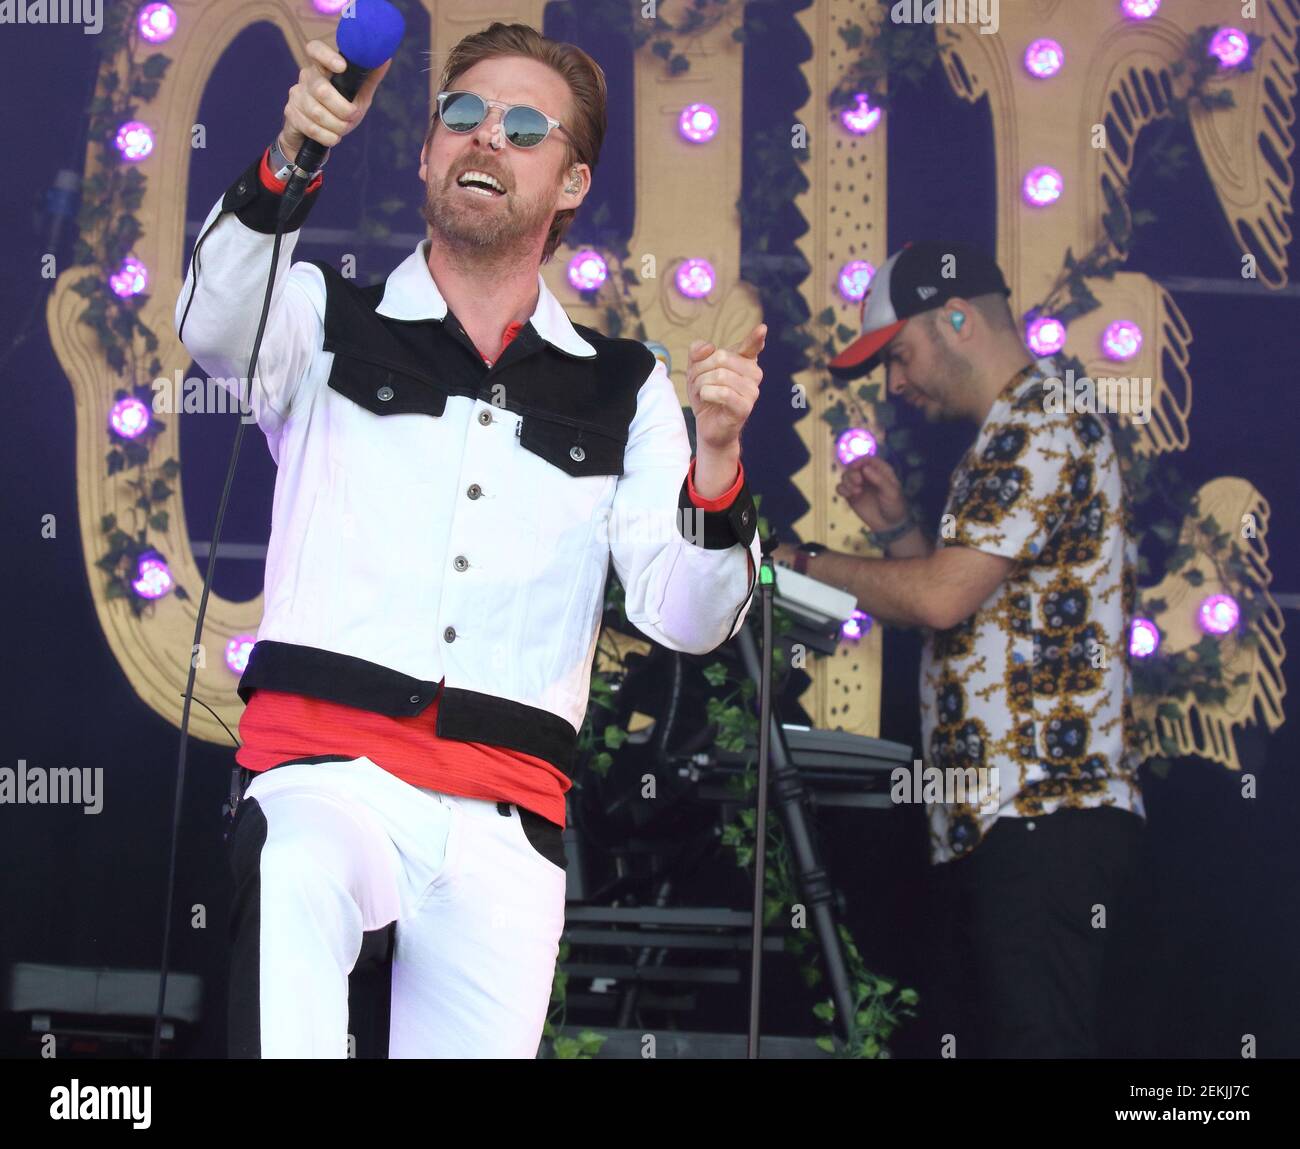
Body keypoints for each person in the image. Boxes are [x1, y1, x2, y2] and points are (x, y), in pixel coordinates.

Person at [175, 22, 765, 1058]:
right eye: (463, 115)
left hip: (505, 814)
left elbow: (689, 615)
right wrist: (293, 154)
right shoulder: (322, 317)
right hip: (328, 768)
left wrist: (716, 463)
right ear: (425, 151)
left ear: (571, 182)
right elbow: (213, 320)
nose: (485, 137)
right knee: (299, 863)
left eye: (524, 126)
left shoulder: (622, 386)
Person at [772, 241, 1144, 1057]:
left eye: (899, 356)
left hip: (1044, 808)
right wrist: (903, 531)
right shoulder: (1009, 431)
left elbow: (942, 595)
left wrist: (800, 563)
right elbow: (966, 619)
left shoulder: (1036, 421)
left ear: (958, 318)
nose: (896, 384)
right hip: (1003, 812)